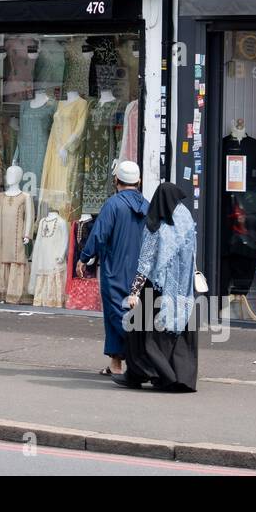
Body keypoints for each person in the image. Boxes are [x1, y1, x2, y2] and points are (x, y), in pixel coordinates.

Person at [119, 182, 200, 391]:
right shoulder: (186, 219)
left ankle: (144, 374)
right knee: (179, 335)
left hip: (157, 288)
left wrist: (134, 292)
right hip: (184, 289)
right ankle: (181, 378)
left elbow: (145, 261)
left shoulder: (155, 224)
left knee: (138, 330)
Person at [78, 160, 148, 377]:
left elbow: (99, 235)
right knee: (128, 313)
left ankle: (142, 357)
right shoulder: (147, 205)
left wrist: (84, 258)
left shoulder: (113, 204)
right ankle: (116, 364)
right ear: (139, 181)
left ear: (116, 180)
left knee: (116, 315)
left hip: (114, 268)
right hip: (140, 271)